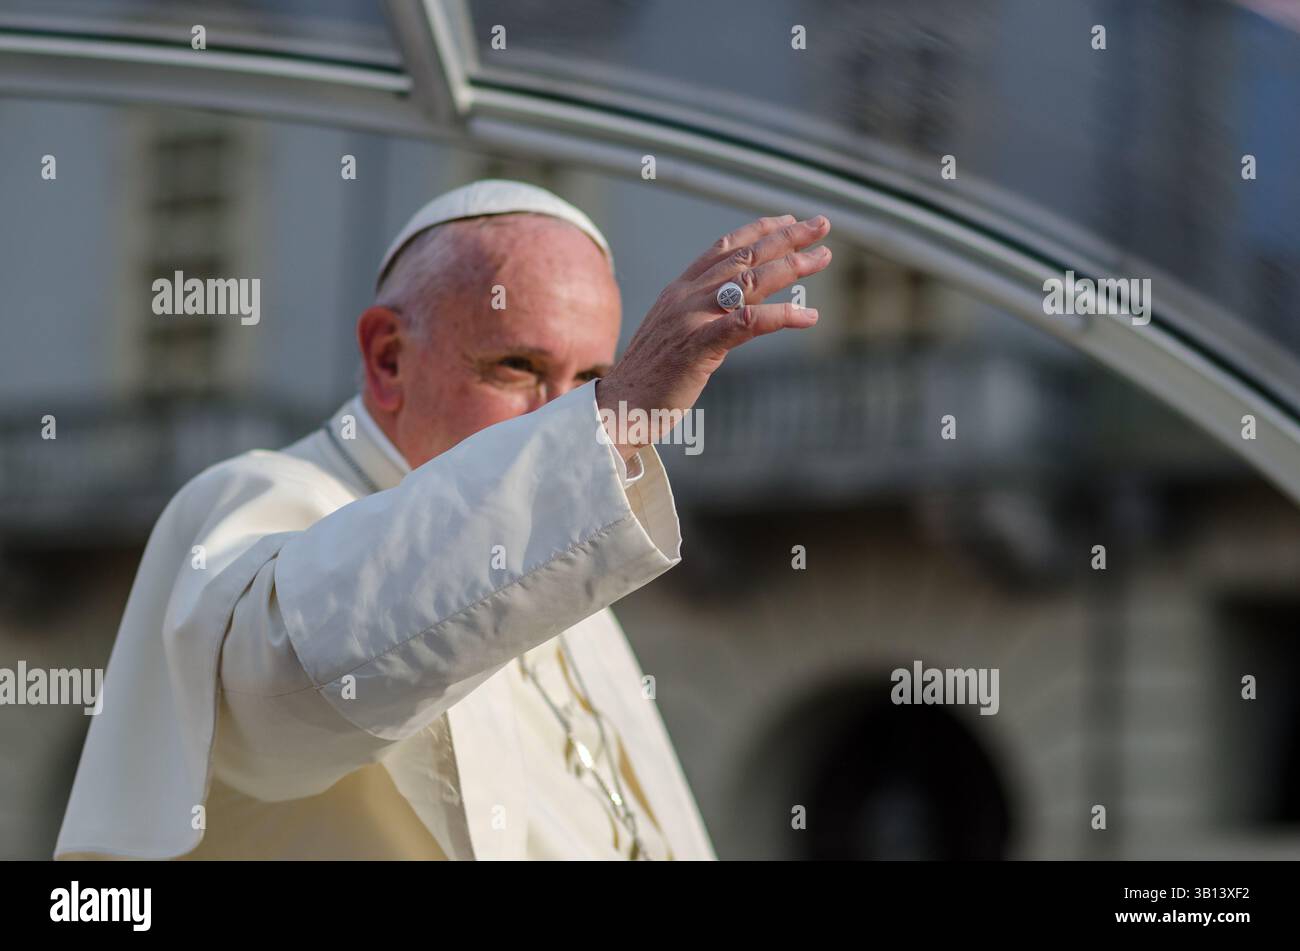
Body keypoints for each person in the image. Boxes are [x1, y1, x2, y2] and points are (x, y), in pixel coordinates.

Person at [55, 179, 832, 860]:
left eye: (593, 377)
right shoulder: (257, 497)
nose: (560, 417)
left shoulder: (558, 546)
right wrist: (619, 411)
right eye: (519, 366)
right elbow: (282, 691)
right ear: (388, 357)